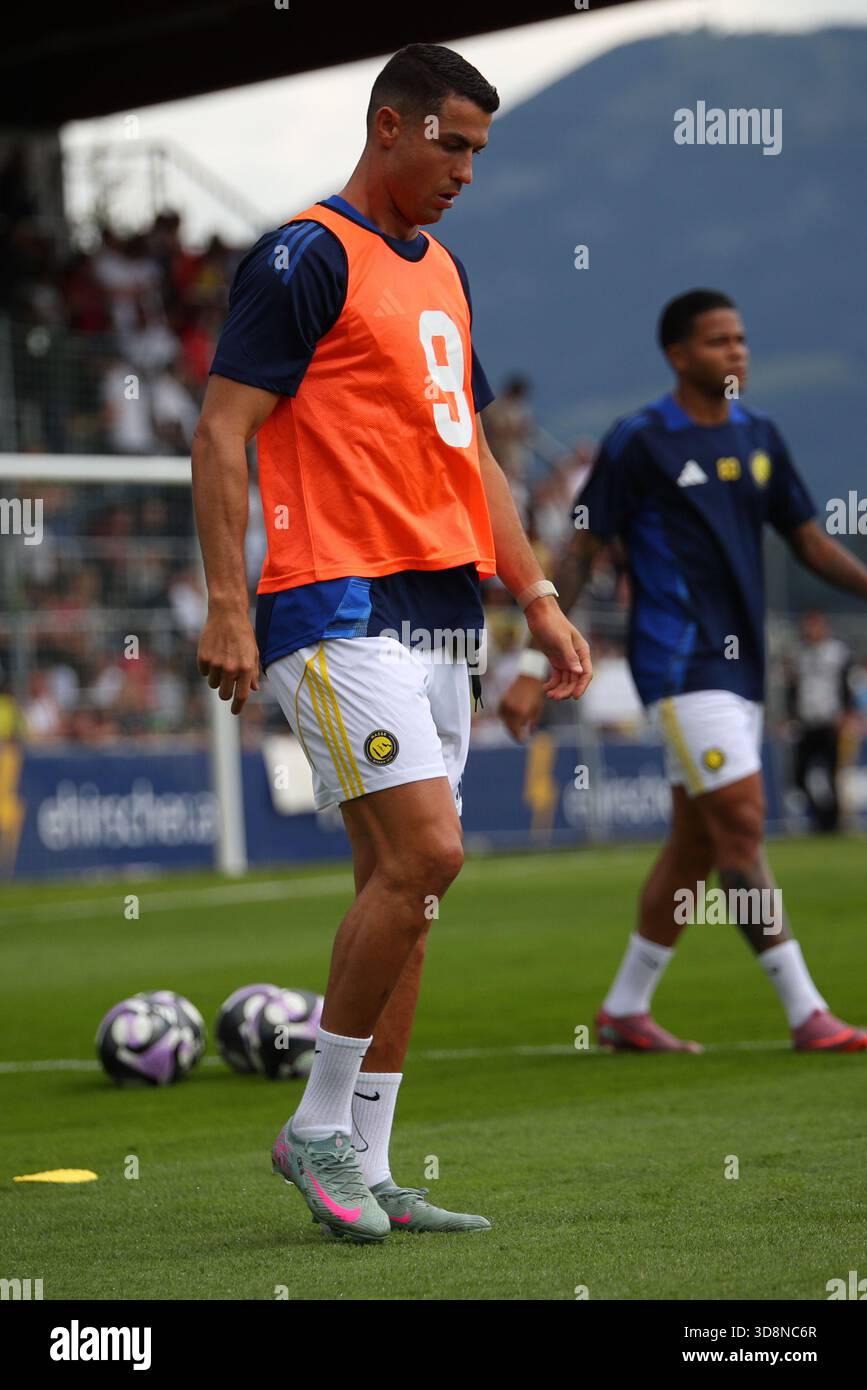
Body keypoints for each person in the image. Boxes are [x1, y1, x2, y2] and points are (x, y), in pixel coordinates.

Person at [192, 43, 592, 1243]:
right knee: (430, 854)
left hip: (445, 611)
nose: (465, 169)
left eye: (478, 150)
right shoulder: (305, 254)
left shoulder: (444, 270)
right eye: (450, 144)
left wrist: (537, 596)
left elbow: (472, 454)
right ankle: (316, 1124)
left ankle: (367, 1163)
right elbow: (220, 431)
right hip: (336, 600)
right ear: (388, 126)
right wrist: (227, 603)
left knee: (406, 893)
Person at [499, 288, 867, 1054]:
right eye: (717, 340)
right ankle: (805, 1012)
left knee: (695, 846)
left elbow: (806, 540)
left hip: (741, 670)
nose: (735, 352)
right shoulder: (640, 441)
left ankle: (623, 1010)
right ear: (676, 354)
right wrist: (535, 661)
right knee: (742, 826)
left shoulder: (759, 435)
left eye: (740, 339)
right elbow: (580, 552)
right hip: (678, 663)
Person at [786, 610, 852, 833]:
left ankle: (833, 823)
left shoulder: (838, 652)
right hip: (806, 723)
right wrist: (790, 714)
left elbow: (846, 686)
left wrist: (845, 715)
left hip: (830, 722)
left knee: (833, 774)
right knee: (799, 775)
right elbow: (792, 688)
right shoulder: (798, 653)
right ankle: (821, 817)